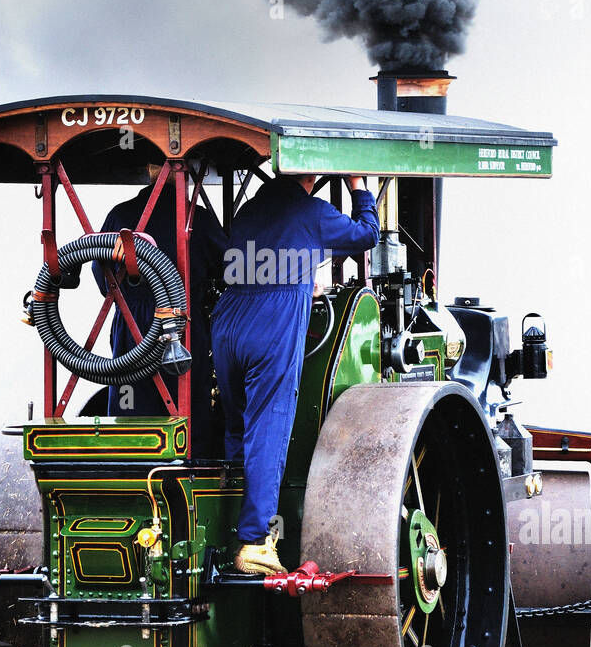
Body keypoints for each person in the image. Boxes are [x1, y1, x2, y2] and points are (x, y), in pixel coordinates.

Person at [211, 173, 379, 575]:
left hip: (228, 325)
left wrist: (304, 280)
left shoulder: (249, 210)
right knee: (268, 428)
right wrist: (358, 187)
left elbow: (258, 259)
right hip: (272, 325)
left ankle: (225, 528)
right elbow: (367, 235)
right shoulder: (313, 212)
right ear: (310, 175)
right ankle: (254, 543)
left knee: (236, 426)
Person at [92, 166, 227, 456]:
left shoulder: (119, 215)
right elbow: (229, 269)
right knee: (188, 405)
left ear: (149, 169)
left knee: (130, 404)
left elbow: (101, 278)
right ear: (187, 172)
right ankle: (191, 468)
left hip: (131, 328)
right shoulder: (198, 219)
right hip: (182, 326)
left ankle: (130, 468)